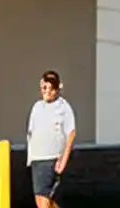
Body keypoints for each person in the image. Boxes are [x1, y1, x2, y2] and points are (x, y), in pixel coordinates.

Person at [27, 70, 76, 208]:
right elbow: (31, 133)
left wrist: (63, 160)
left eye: (51, 88)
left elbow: (71, 134)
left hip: (52, 159)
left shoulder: (63, 107)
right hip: (37, 159)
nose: (47, 91)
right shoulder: (37, 107)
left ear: (58, 89)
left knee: (44, 201)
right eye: (44, 87)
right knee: (43, 200)